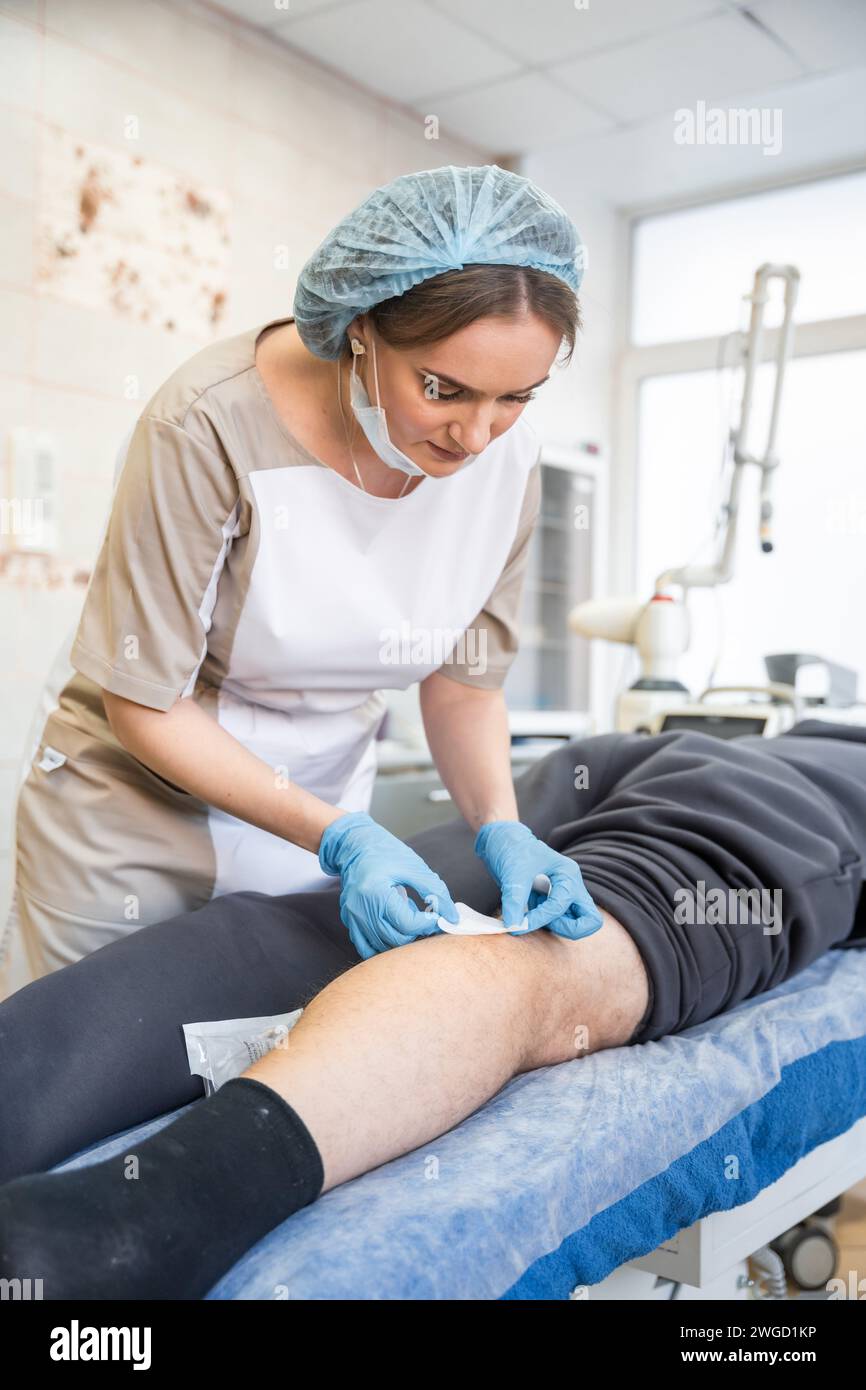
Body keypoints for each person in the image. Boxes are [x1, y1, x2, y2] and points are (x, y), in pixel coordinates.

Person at [0, 163, 602, 1001]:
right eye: (442, 388)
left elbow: (463, 688)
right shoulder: (207, 422)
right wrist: (343, 841)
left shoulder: (511, 464)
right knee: (82, 1083)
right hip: (133, 821)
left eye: (516, 397)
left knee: (261, 1068)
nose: (475, 434)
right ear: (361, 328)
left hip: (314, 816)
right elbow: (144, 699)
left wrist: (502, 826)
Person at [1, 720, 864, 1299]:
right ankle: (132, 1229)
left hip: (636, 762)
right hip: (802, 818)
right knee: (546, 968)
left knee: (326, 931)